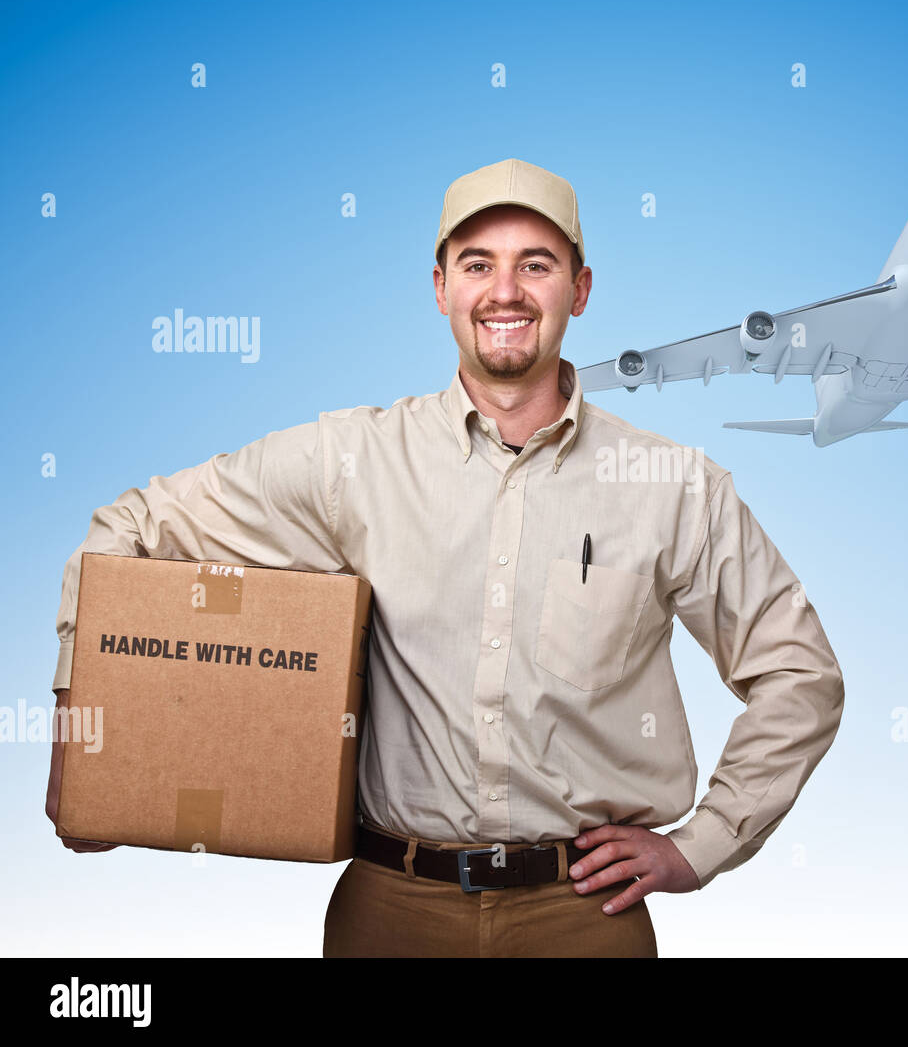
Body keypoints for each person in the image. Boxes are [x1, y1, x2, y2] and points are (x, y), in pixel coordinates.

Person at [46, 157, 845, 958]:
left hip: (583, 918)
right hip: (391, 910)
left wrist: (702, 844)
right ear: (440, 288)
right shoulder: (351, 463)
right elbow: (135, 525)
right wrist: (87, 750)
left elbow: (799, 674)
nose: (505, 291)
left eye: (536, 264)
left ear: (581, 287)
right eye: (477, 265)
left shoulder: (673, 486)